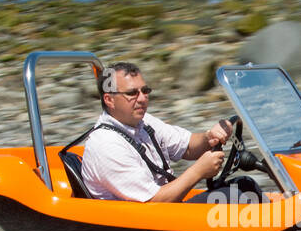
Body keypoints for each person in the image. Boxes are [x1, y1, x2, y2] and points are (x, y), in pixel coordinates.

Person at [80, 62, 245, 203]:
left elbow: (187, 146)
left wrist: (210, 136)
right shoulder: (106, 145)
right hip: (142, 228)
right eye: (132, 93)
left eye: (145, 91)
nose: (143, 99)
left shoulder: (144, 122)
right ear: (109, 100)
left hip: (165, 211)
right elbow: (153, 202)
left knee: (244, 186)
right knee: (234, 196)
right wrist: (198, 171)